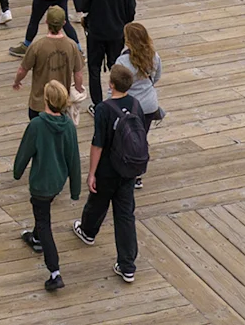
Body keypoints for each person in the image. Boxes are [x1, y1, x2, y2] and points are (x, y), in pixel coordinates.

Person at [75, 63, 151, 284]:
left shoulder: (104, 109)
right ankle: (127, 266)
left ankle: (88, 231)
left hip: (108, 169)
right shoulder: (136, 105)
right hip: (129, 169)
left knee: (98, 200)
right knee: (125, 215)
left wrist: (91, 173)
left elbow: (97, 144)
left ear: (111, 84)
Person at [14, 79, 83, 292]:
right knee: (42, 214)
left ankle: (55, 272)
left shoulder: (36, 125)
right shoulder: (69, 126)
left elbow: (24, 153)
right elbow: (74, 159)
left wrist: (17, 172)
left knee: (44, 222)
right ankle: (34, 236)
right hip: (57, 182)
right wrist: (75, 189)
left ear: (46, 99)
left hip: (40, 184)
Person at [78, 0, 137, 106]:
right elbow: (131, 13)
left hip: (95, 33)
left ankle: (97, 105)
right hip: (116, 33)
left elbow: (83, 6)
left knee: (94, 68)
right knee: (116, 67)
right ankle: (116, 100)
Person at [12, 5, 85, 121]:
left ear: (46, 22)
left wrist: (17, 81)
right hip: (61, 102)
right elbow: (78, 73)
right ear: (64, 23)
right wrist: (78, 88)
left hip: (39, 104)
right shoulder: (72, 46)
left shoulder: (37, 46)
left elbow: (22, 69)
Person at [112, 22, 162, 124]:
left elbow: (115, 86)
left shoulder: (122, 61)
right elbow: (157, 77)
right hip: (150, 105)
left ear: (128, 40)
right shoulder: (154, 56)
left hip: (130, 106)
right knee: (141, 137)